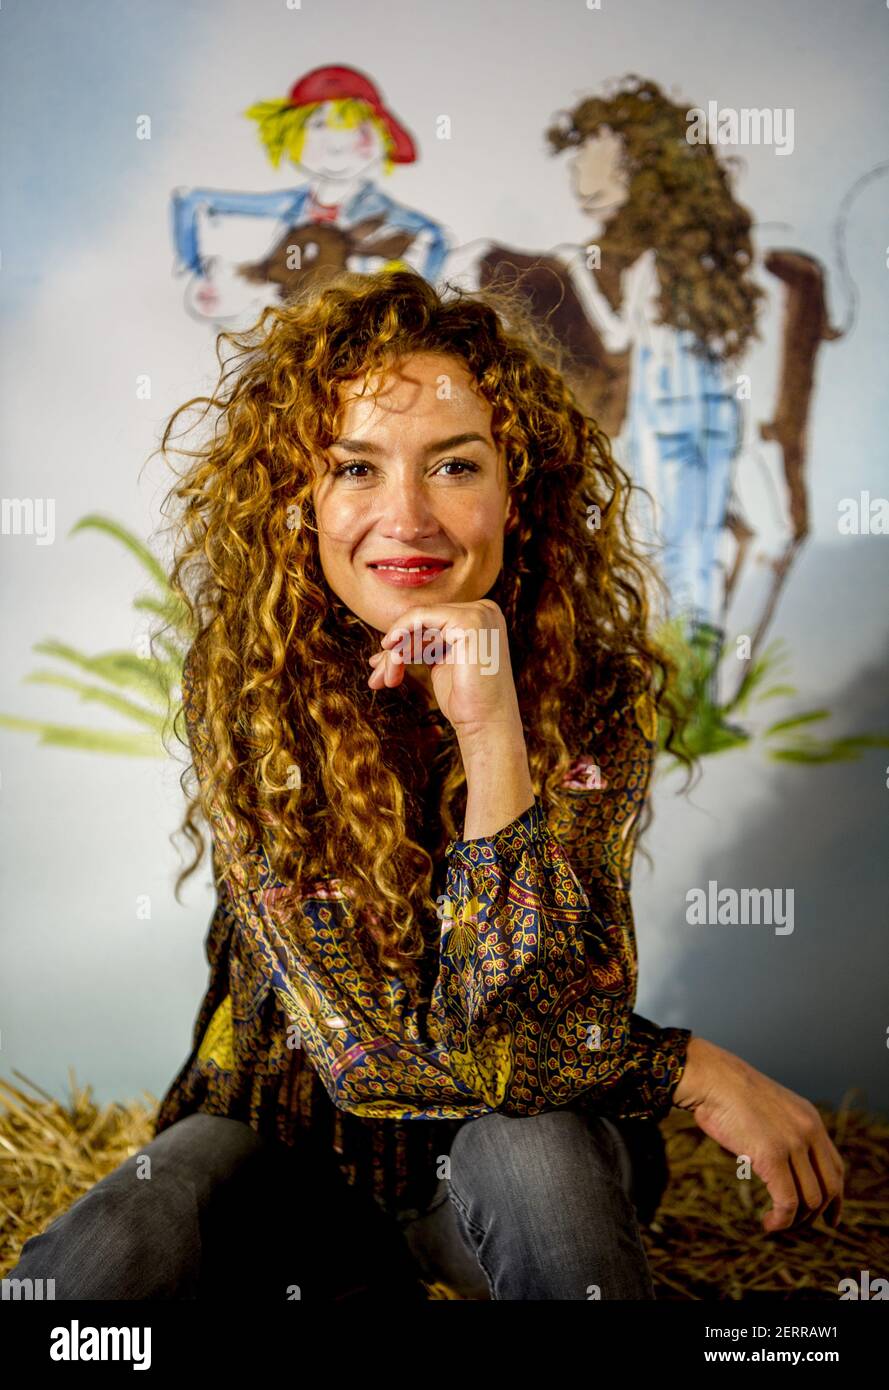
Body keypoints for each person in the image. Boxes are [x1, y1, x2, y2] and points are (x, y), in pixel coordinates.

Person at [8, 269, 844, 1302]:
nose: (404, 517)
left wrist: (491, 729)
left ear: (517, 490)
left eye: (453, 465)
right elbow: (363, 1053)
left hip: (511, 1179)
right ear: (297, 499)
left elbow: (523, 1043)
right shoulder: (248, 682)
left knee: (529, 1142)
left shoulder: (594, 689)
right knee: (143, 1204)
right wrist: (688, 1068)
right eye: (354, 467)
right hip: (294, 1174)